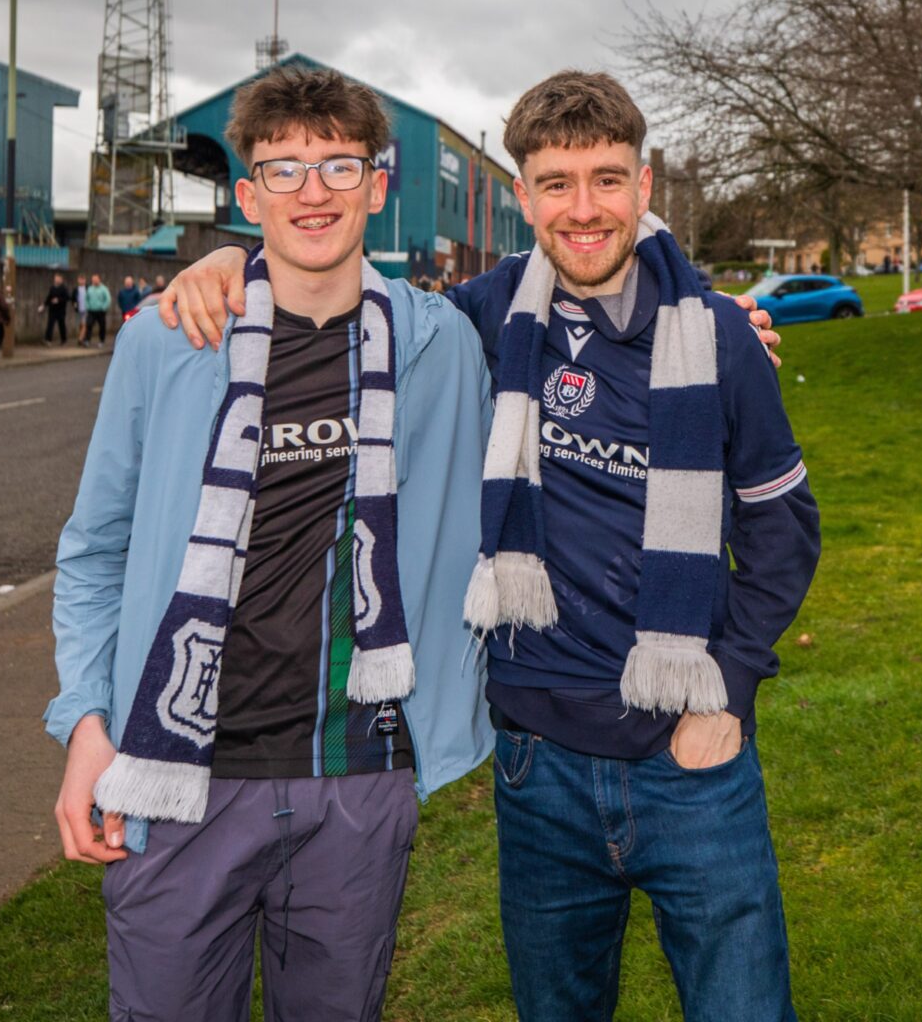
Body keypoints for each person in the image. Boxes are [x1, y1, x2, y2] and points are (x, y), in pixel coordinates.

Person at [163, 70, 816, 1021]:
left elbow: (784, 528)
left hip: (692, 759)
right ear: (523, 196)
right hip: (537, 765)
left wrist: (736, 682)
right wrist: (228, 263)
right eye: (556, 183)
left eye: (605, 179)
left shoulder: (716, 335)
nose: (583, 209)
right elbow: (347, 293)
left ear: (643, 186)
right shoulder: (477, 321)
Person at [48, 65, 493, 1022]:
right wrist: (87, 724)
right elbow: (95, 550)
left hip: (358, 780)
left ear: (377, 186)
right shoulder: (168, 339)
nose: (314, 192)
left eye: (338, 167)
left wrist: (713, 324)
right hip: (178, 779)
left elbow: (577, 281)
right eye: (283, 171)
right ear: (249, 196)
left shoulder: (436, 344)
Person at [40, 272, 72, 345]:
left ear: (61, 280)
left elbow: (68, 298)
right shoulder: (52, 288)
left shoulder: (64, 288)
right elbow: (49, 297)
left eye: (58, 279)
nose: (56, 280)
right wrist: (44, 305)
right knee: (50, 324)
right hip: (52, 309)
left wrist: (58, 300)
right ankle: (48, 340)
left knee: (61, 325)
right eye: (55, 278)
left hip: (61, 310)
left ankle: (63, 339)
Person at [83, 274, 111, 347]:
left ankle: (101, 341)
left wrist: (103, 307)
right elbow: (86, 298)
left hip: (100, 311)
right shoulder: (90, 288)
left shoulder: (104, 288)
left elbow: (108, 299)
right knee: (89, 325)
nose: (94, 281)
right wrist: (88, 306)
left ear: (99, 279)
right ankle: (87, 340)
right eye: (93, 279)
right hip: (91, 311)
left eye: (96, 279)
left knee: (102, 326)